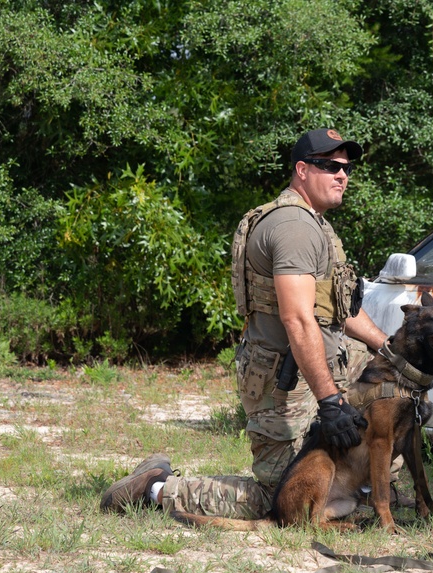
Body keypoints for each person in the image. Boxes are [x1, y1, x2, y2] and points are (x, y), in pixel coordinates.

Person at [101, 128, 390, 518]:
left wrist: (387, 348)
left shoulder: (316, 223)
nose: (342, 175)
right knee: (284, 499)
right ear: (302, 170)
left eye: (346, 168)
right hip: (283, 382)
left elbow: (337, 307)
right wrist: (331, 403)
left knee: (389, 393)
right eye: (329, 166)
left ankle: (368, 489)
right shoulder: (293, 226)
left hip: (316, 369)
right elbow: (297, 318)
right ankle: (154, 488)